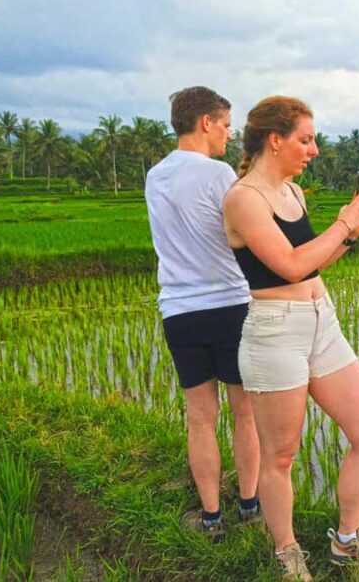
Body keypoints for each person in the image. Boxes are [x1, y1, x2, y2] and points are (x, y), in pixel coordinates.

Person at [223, 96, 359, 581]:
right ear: (274, 141)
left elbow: (313, 265)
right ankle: (287, 550)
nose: (314, 150)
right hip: (275, 333)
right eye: (306, 139)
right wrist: (343, 223)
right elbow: (290, 265)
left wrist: (350, 233)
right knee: (280, 455)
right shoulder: (244, 198)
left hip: (322, 321)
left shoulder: (293, 194)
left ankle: (347, 540)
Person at [144, 86, 260, 543]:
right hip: (230, 304)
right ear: (205, 122)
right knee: (244, 413)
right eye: (226, 126)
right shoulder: (218, 173)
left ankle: (212, 517)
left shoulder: (155, 176)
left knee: (200, 416)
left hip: (179, 310)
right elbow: (240, 230)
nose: (229, 135)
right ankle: (249, 505)